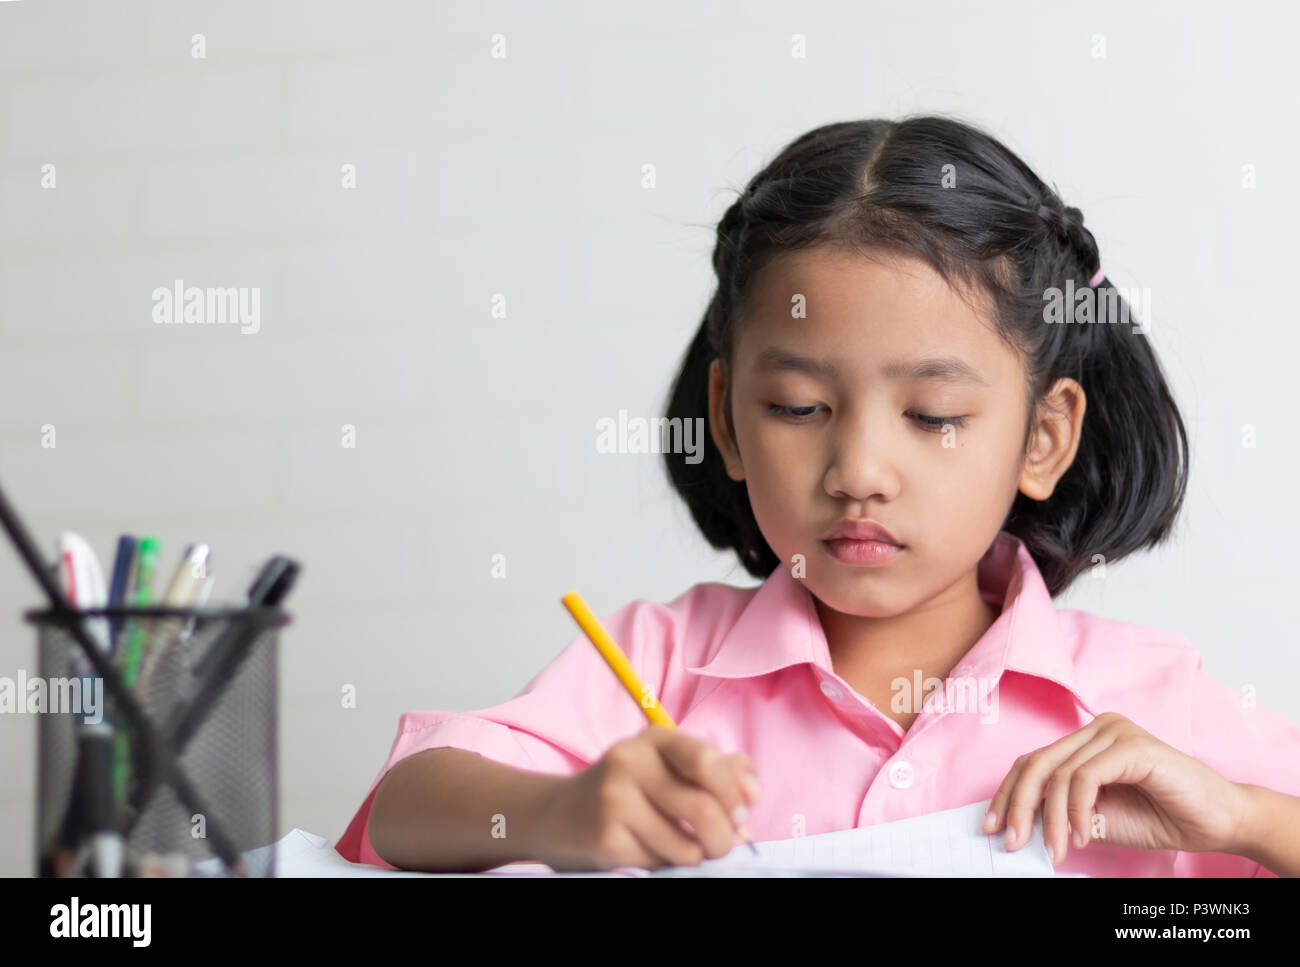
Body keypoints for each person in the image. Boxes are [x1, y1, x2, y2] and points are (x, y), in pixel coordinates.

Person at [337, 115, 1300, 876]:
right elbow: (400, 806)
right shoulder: (656, 665)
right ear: (726, 416)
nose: (859, 470)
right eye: (798, 405)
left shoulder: (1141, 705)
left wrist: (1248, 820)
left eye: (931, 415)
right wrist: (558, 814)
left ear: (1042, 437)